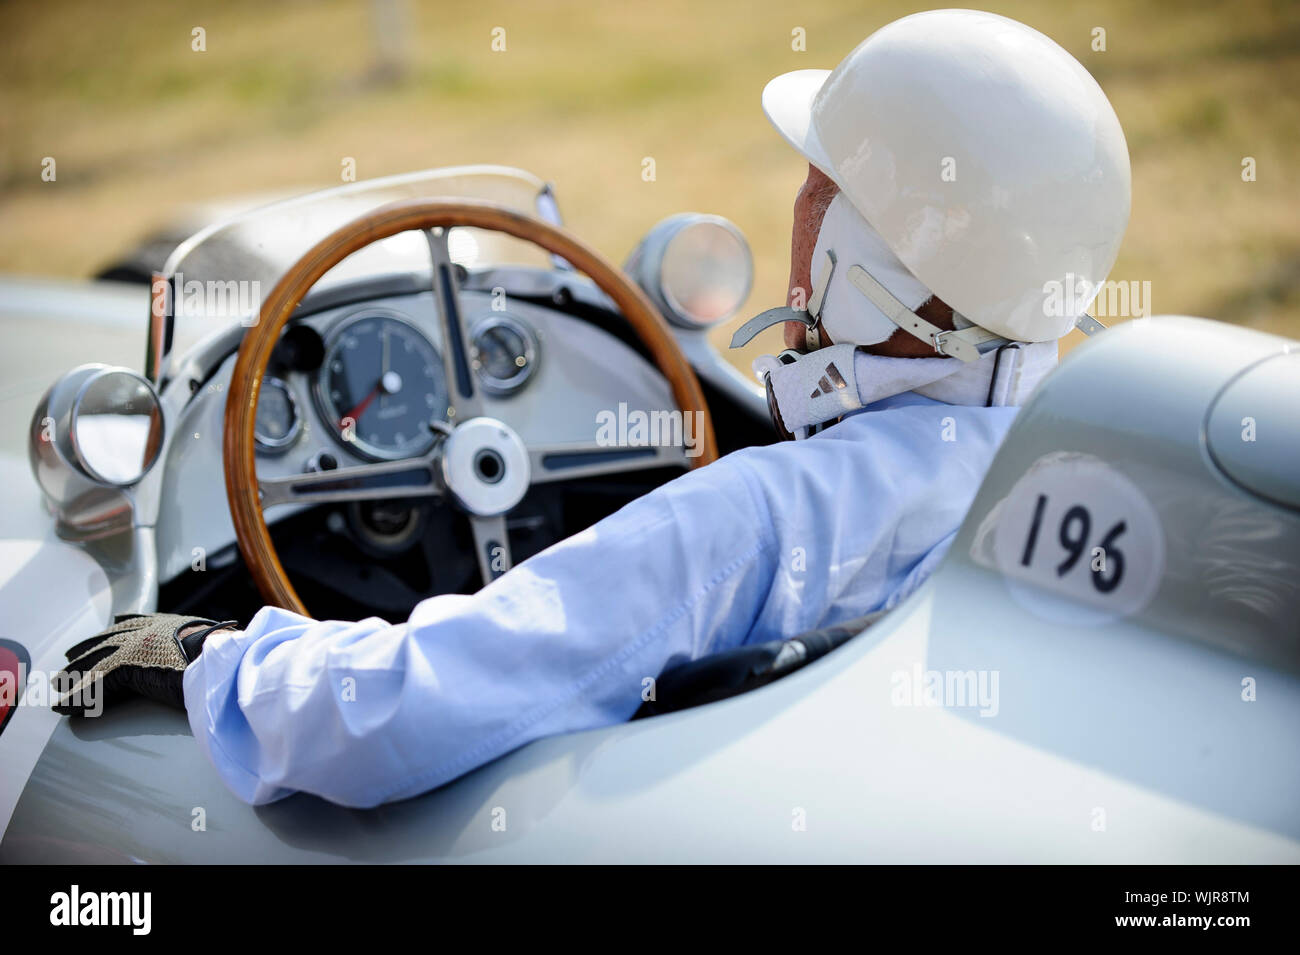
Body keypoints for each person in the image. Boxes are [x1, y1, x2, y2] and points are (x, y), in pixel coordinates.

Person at [54, 10, 1130, 808]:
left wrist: (209, 654)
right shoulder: (1098, 477)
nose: (797, 211)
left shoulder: (759, 519)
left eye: (818, 189)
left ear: (862, 259)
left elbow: (400, 713)